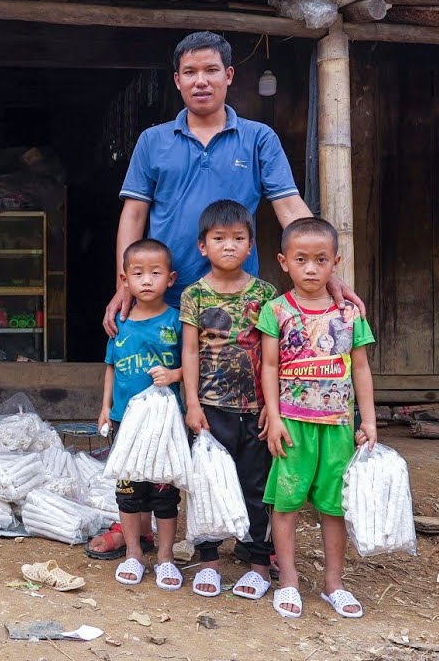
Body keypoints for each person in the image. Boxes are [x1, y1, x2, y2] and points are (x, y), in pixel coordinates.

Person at [104, 31, 362, 333]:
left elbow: (290, 208)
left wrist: (329, 273)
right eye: (190, 72)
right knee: (161, 378)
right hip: (162, 295)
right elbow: (134, 214)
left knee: (234, 378)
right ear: (177, 80)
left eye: (211, 70)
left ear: (228, 75)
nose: (200, 80)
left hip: (238, 296)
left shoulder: (258, 138)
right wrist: (124, 284)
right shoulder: (152, 140)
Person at [258, 217, 376, 619]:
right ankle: (288, 579)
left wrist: (369, 421)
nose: (311, 268)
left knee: (333, 507)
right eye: (301, 259)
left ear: (335, 263)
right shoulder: (276, 310)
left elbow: (360, 368)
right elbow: (269, 367)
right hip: (292, 425)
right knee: (286, 503)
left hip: (338, 427)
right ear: (284, 262)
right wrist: (273, 418)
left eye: (320, 259)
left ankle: (333, 583)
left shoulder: (348, 315)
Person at [179, 200, 278, 599]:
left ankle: (258, 564)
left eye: (239, 238)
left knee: (256, 486)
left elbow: (273, 355)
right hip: (211, 408)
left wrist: (273, 405)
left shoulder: (265, 293)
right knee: (207, 485)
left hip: (256, 410)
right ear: (203, 246)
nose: (229, 246)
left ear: (251, 245)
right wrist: (192, 403)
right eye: (219, 239)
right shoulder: (194, 296)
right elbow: (189, 352)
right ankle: (208, 561)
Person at [94, 239, 184, 591]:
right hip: (125, 421)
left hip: (164, 423)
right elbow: (111, 368)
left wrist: (174, 375)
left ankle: (165, 556)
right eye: (138, 273)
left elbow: (191, 364)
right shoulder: (120, 323)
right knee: (129, 489)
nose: (147, 280)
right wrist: (105, 407)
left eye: (155, 273)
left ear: (171, 278)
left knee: (164, 491)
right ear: (124, 280)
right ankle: (133, 552)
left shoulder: (176, 321)